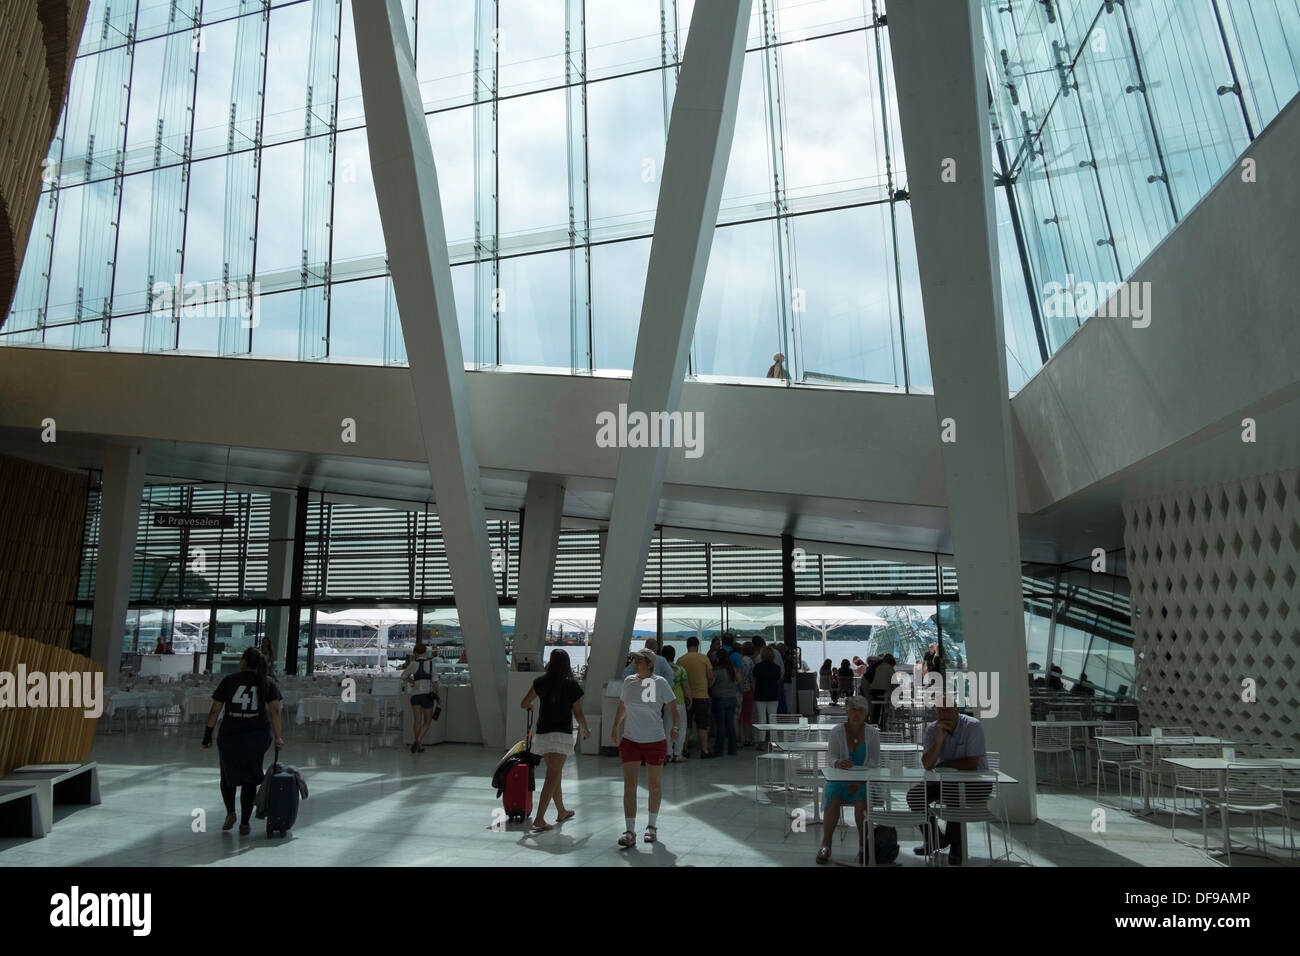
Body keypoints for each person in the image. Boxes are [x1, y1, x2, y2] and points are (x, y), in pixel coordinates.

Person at [202, 646, 283, 836]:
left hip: (230, 735)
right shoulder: (267, 682)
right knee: (250, 779)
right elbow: (275, 711)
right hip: (257, 736)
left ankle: (231, 812)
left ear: (245, 661)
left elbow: (215, 710)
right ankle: (245, 822)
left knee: (227, 777)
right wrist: (278, 736)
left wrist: (208, 734)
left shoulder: (229, 681)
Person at [609, 648, 679, 847]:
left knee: (654, 785)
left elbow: (674, 707)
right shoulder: (629, 682)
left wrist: (675, 726)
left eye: (639, 660)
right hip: (631, 740)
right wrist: (615, 726)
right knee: (629, 786)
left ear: (650, 664)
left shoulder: (661, 683)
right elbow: (623, 706)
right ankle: (630, 831)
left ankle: (652, 826)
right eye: (634, 660)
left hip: (655, 740)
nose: (635, 663)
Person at [907, 698, 990, 865]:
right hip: (945, 781)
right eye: (940, 710)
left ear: (957, 709)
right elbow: (927, 764)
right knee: (915, 796)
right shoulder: (932, 729)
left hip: (978, 783)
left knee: (953, 793)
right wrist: (939, 740)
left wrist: (944, 764)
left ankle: (957, 847)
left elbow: (972, 763)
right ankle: (935, 839)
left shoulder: (972, 726)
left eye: (948, 709)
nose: (944, 714)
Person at [519, 649, 590, 830]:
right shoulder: (571, 685)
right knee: (553, 775)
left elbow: (524, 703)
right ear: (566, 664)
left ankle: (561, 811)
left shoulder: (540, 682)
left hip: (543, 733)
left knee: (554, 773)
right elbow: (578, 713)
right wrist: (585, 729)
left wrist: (532, 705)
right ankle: (539, 818)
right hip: (561, 734)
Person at [816, 696, 882, 864]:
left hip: (865, 781)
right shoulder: (837, 731)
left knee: (861, 803)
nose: (856, 714)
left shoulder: (873, 733)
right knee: (832, 795)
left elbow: (875, 763)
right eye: (853, 709)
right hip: (840, 780)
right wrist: (838, 762)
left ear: (866, 714)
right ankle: (826, 844)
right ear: (847, 711)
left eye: (861, 710)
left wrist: (860, 781)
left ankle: (862, 845)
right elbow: (831, 757)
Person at [622, 638, 677, 743]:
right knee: (657, 719)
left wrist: (636, 684)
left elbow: (625, 674)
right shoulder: (662, 661)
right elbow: (670, 674)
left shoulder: (636, 661)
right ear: (656, 648)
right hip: (656, 700)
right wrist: (663, 690)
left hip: (638, 700)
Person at [400, 642, 440, 753]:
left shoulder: (412, 664)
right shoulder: (431, 663)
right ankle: (418, 740)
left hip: (415, 695)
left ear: (415, 653)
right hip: (427, 695)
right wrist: (437, 694)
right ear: (425, 652)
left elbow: (403, 676)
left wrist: (413, 682)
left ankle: (419, 745)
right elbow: (435, 682)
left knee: (417, 721)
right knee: (427, 721)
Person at [678, 637, 713, 758]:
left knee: (686, 725)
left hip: (686, 697)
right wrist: (708, 686)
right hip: (702, 696)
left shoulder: (681, 660)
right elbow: (710, 676)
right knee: (702, 725)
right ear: (697, 646)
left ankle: (685, 749)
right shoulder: (704, 658)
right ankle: (704, 750)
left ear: (687, 646)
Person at [661, 645, 692, 762]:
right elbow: (685, 686)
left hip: (665, 701)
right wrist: (689, 698)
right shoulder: (681, 669)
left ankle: (668, 754)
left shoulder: (661, 669)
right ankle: (678, 754)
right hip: (678, 701)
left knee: (667, 726)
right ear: (674, 656)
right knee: (681, 726)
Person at [709, 643, 741, 756]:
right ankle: (732, 749)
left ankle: (719, 749)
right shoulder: (732, 669)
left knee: (721, 725)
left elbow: (710, 684)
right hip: (732, 698)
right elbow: (738, 680)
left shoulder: (717, 670)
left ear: (718, 658)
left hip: (719, 699)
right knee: (730, 724)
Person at [751, 646, 782, 751]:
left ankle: (761, 742)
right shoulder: (776, 668)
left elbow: (754, 680)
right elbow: (778, 680)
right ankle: (774, 742)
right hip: (773, 695)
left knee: (761, 718)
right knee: (773, 718)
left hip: (760, 695)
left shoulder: (758, 667)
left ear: (762, 655)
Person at [869, 653, 896, 728]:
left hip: (874, 690)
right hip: (883, 690)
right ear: (892, 662)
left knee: (877, 707)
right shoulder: (890, 668)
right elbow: (894, 681)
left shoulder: (879, 666)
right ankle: (883, 723)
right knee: (886, 707)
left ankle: (874, 723)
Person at [739, 643, 756, 748]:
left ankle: (740, 738)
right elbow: (752, 677)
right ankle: (748, 738)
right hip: (748, 690)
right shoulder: (751, 662)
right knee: (747, 715)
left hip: (739, 690)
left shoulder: (740, 660)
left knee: (739, 716)